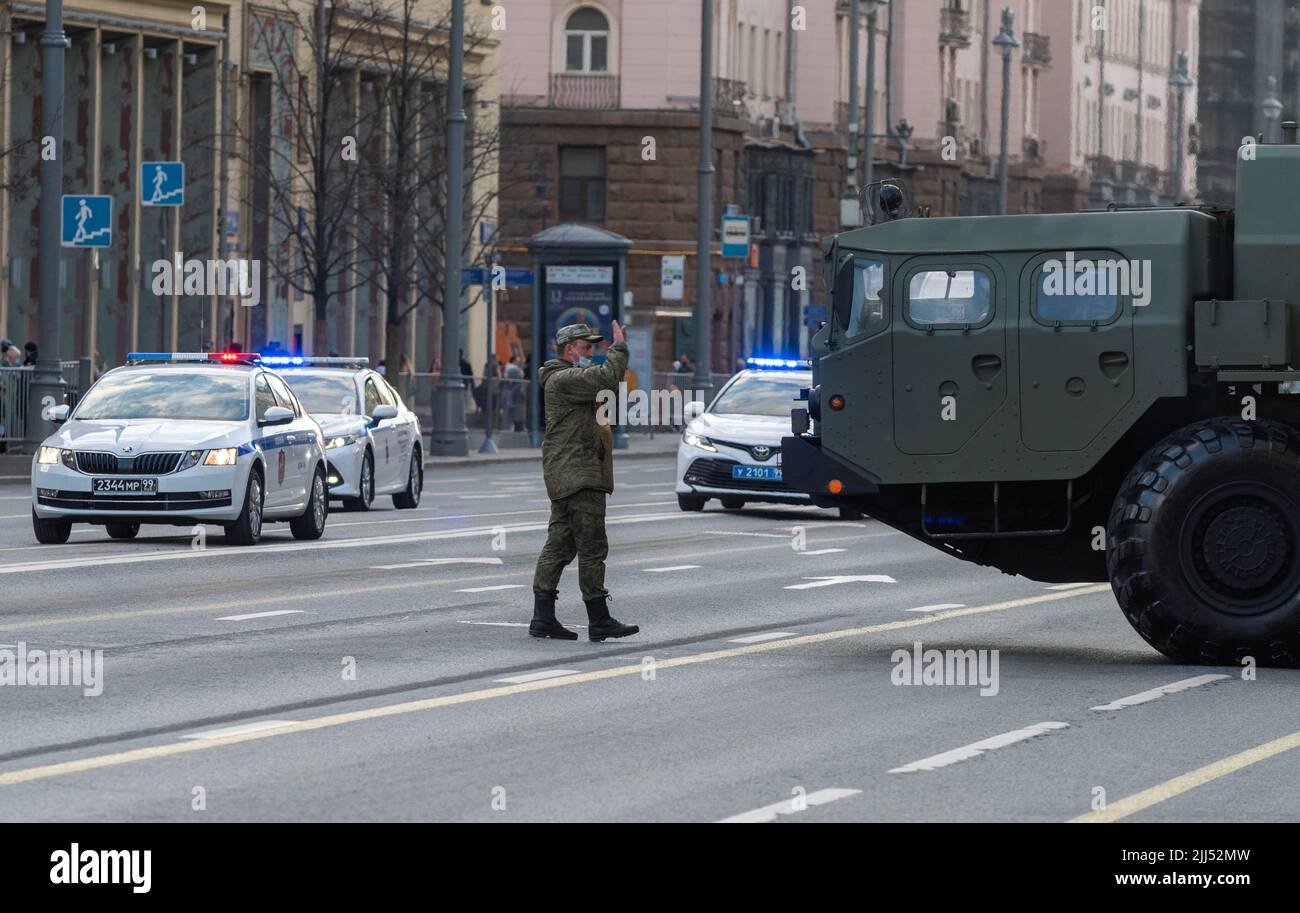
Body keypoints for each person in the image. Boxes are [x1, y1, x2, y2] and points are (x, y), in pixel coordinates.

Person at [530, 321, 639, 642]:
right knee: (593, 547)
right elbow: (606, 378)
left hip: (569, 474)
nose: (591, 353)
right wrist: (618, 348)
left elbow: (607, 387)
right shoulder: (564, 379)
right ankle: (599, 619)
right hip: (579, 475)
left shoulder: (566, 379)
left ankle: (543, 618)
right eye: (586, 347)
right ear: (569, 349)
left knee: (560, 546)